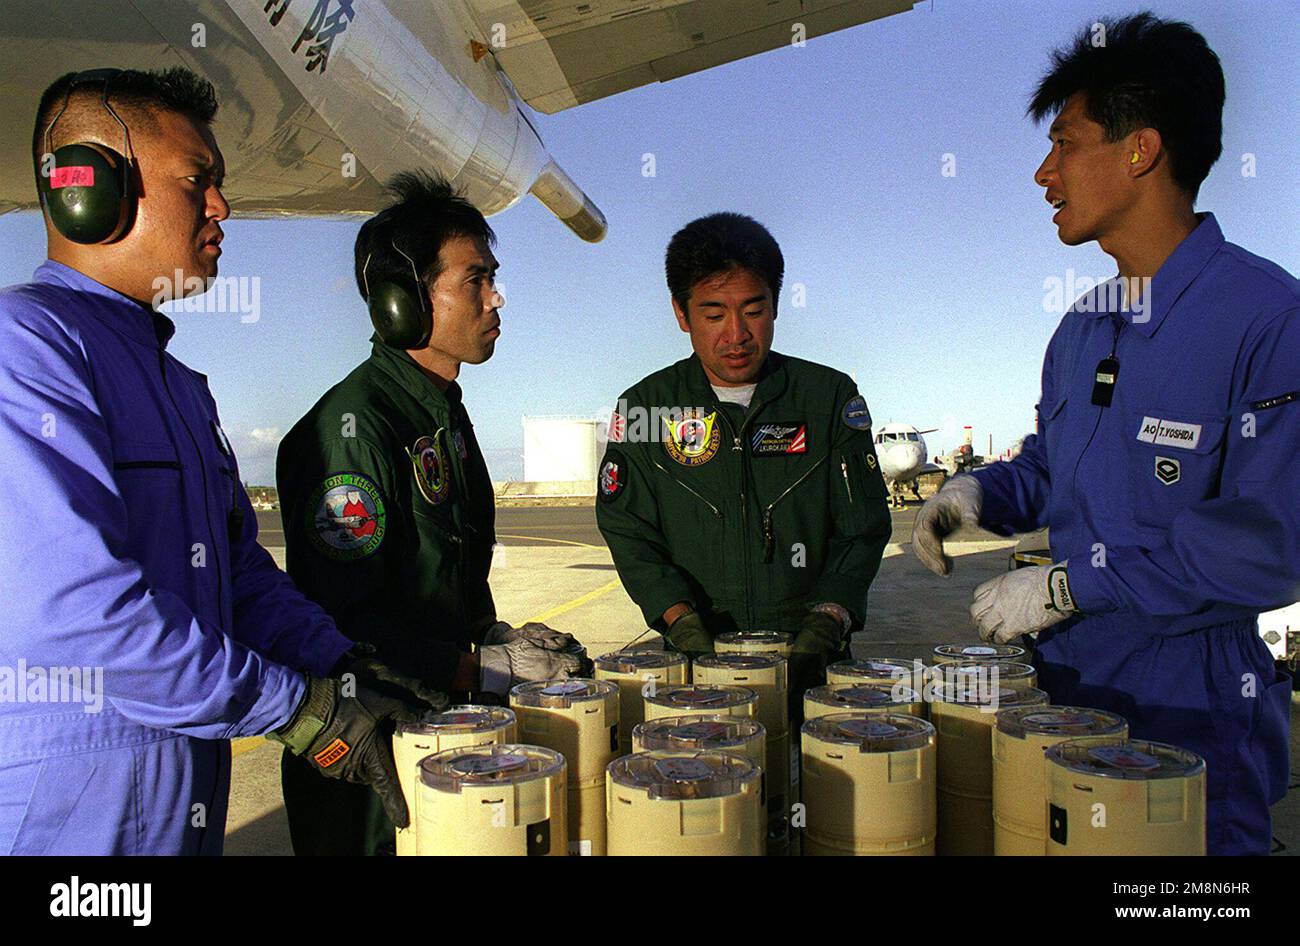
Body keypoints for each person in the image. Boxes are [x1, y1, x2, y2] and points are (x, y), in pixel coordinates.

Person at [0, 68, 437, 855]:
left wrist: (340, 663)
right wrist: (301, 711)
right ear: (88, 189)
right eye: (198, 181)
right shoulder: (26, 349)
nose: (222, 207)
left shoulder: (178, 386)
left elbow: (236, 576)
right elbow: (77, 620)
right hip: (74, 835)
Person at [912, 13, 1296, 856]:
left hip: (1193, 703)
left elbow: (1270, 544)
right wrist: (977, 493)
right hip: (1070, 690)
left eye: (1065, 143)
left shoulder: (1269, 320)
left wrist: (1072, 588)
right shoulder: (1084, 328)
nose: (1043, 172)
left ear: (1140, 150)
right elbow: (1057, 464)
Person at [276, 170, 584, 855]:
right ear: (403, 300)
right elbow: (344, 625)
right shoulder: (351, 430)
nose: (497, 297)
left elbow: (445, 582)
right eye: (476, 279)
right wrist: (483, 667)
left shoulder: (441, 413)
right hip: (370, 763)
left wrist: (503, 639)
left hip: (438, 736)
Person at [595, 212, 892, 718]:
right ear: (681, 313)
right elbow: (627, 527)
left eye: (753, 311)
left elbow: (863, 527)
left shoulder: (828, 398)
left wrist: (830, 616)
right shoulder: (645, 408)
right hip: (696, 669)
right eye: (713, 315)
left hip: (813, 666)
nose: (736, 335)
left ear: (776, 306)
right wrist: (678, 618)